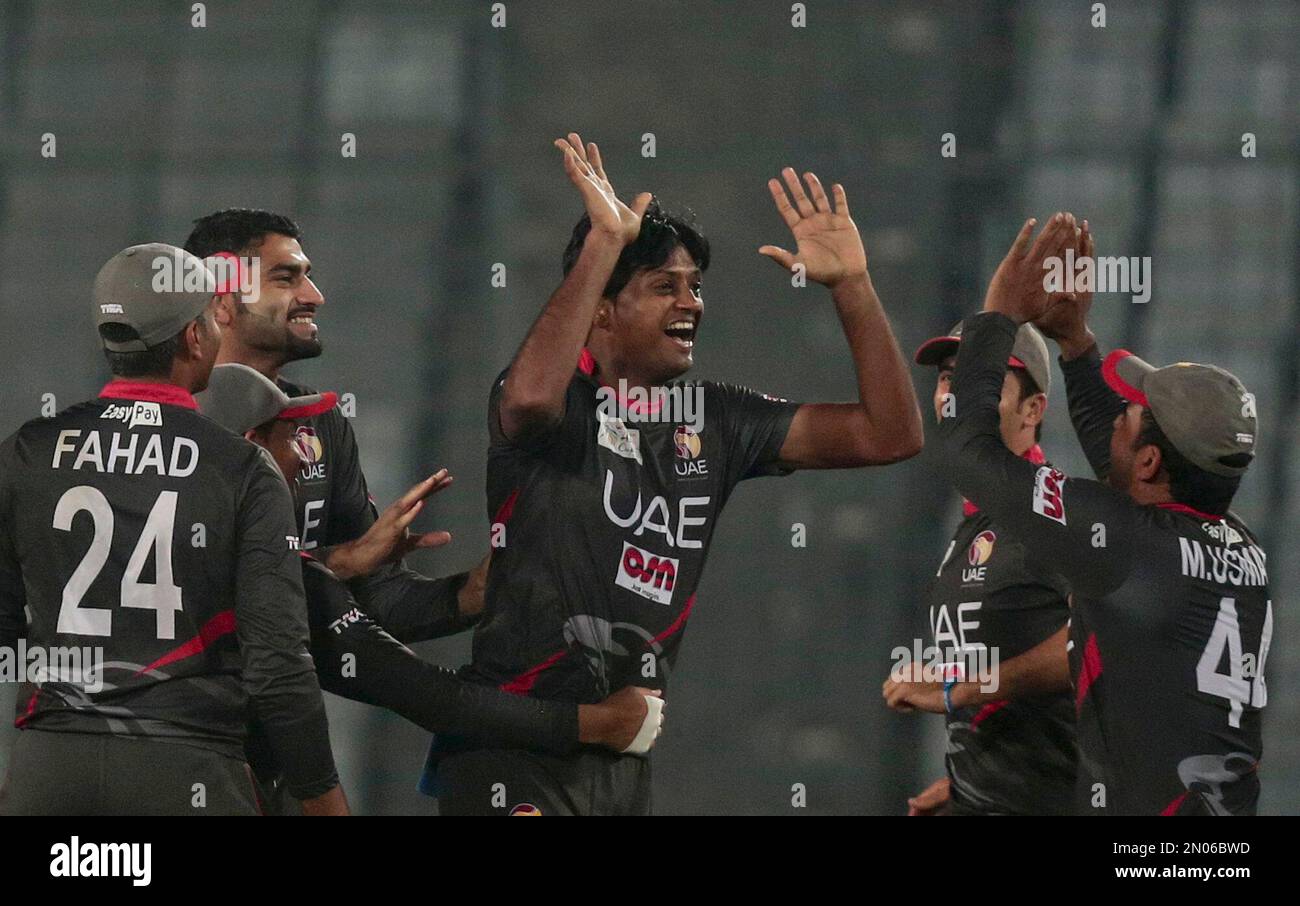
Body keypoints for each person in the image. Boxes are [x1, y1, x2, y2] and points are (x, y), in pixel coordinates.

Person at [427, 133, 925, 815]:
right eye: (665, 287)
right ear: (601, 309)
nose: (690, 304)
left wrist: (854, 288)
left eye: (695, 288)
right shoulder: (551, 402)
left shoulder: (717, 422)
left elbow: (890, 434)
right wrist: (604, 241)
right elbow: (527, 399)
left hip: (624, 764)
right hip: (515, 750)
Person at [194, 363, 664, 810]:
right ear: (251, 445)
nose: (305, 457)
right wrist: (598, 724)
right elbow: (433, 697)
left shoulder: (168, 538)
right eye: (289, 439)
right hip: (212, 779)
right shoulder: (282, 574)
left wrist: (477, 588)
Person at [941, 214, 1271, 815]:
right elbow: (1122, 464)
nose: (1115, 410)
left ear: (1149, 462)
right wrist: (1076, 342)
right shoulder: (1240, 545)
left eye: (1130, 410)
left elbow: (968, 452)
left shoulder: (1124, 544)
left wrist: (997, 315)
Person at [0, 244, 346, 815]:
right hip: (188, 770)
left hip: (51, 766)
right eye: (211, 315)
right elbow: (279, 666)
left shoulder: (27, 452)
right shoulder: (241, 468)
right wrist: (323, 799)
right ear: (193, 337)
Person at [182, 210, 484, 645]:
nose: (315, 295)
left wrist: (480, 591)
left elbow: (376, 599)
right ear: (222, 302)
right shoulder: (167, 422)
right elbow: (194, 591)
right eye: (286, 278)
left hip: (273, 703)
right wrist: (341, 560)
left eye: (308, 276)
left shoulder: (320, 421)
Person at [881, 319, 1076, 815]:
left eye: (983, 383)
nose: (958, 395)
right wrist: (964, 783)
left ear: (1032, 409)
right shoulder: (978, 517)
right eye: (950, 377)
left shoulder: (1054, 512)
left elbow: (1096, 643)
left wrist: (959, 687)